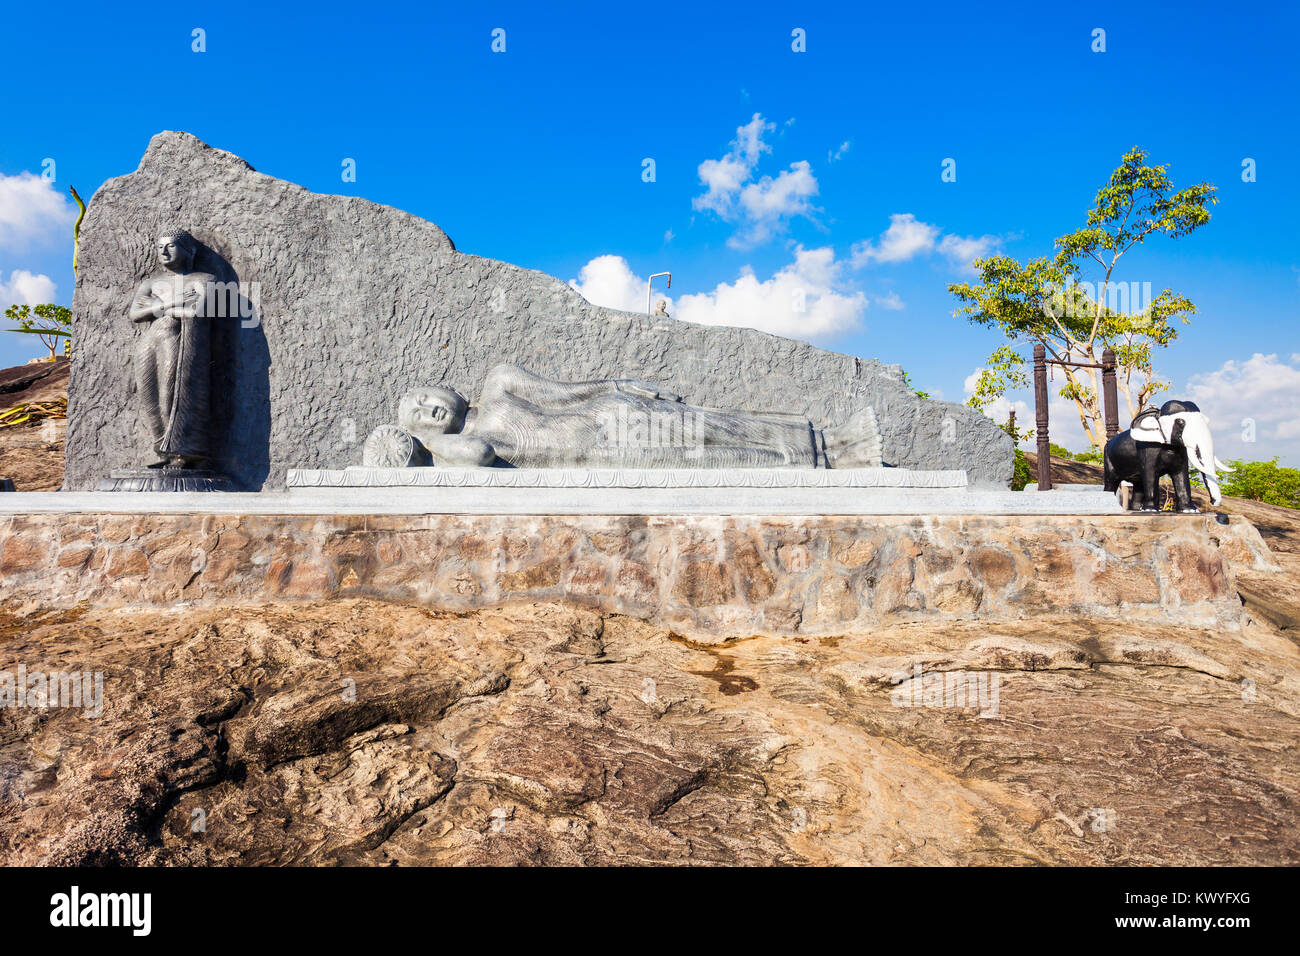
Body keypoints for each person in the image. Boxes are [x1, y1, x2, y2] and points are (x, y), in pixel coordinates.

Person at [393, 364, 882, 469]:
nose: (428, 408)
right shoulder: (464, 450)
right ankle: (820, 467)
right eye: (419, 417)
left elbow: (567, 391)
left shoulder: (497, 380)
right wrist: (428, 445)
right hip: (609, 453)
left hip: (612, 415)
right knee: (722, 458)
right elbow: (477, 454)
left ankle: (832, 441)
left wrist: (619, 385)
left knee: (718, 424)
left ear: (442, 385)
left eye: (421, 396)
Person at [128, 228, 214, 468]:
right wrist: (175, 303)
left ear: (189, 251)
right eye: (160, 247)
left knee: (171, 394)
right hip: (150, 342)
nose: (164, 251)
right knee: (149, 397)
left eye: (171, 246)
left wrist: (159, 307)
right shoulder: (152, 283)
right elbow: (136, 314)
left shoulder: (203, 280)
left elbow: (199, 312)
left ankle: (182, 452)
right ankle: (162, 450)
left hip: (179, 340)